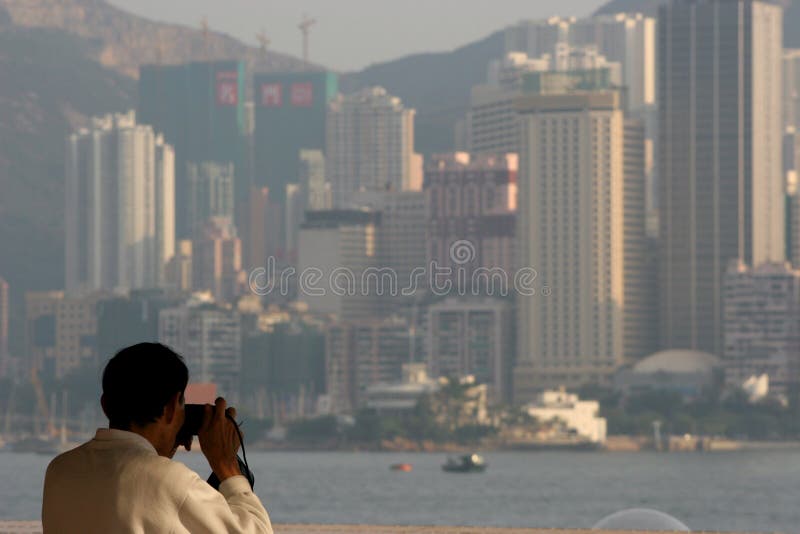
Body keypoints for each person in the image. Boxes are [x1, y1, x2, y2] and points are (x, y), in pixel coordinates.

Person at [42, 343, 273, 534]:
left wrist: (163, 450)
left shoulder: (59, 470)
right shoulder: (173, 482)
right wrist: (226, 464)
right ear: (172, 407)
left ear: (105, 406)